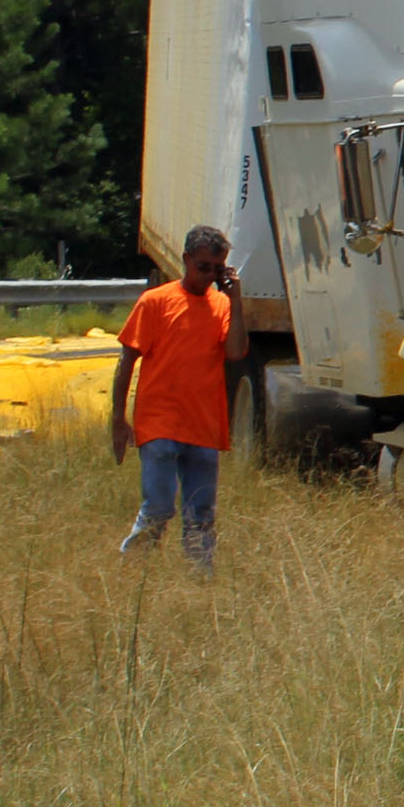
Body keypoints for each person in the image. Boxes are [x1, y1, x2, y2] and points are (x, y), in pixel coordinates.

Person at [111, 224, 248, 566]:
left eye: (217, 269)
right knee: (158, 507)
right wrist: (117, 419)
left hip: (203, 427)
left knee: (201, 513)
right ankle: (134, 569)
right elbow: (127, 359)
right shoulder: (156, 302)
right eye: (203, 267)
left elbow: (235, 353)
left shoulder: (222, 305)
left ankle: (199, 583)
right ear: (186, 260)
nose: (210, 276)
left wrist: (236, 299)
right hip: (159, 424)